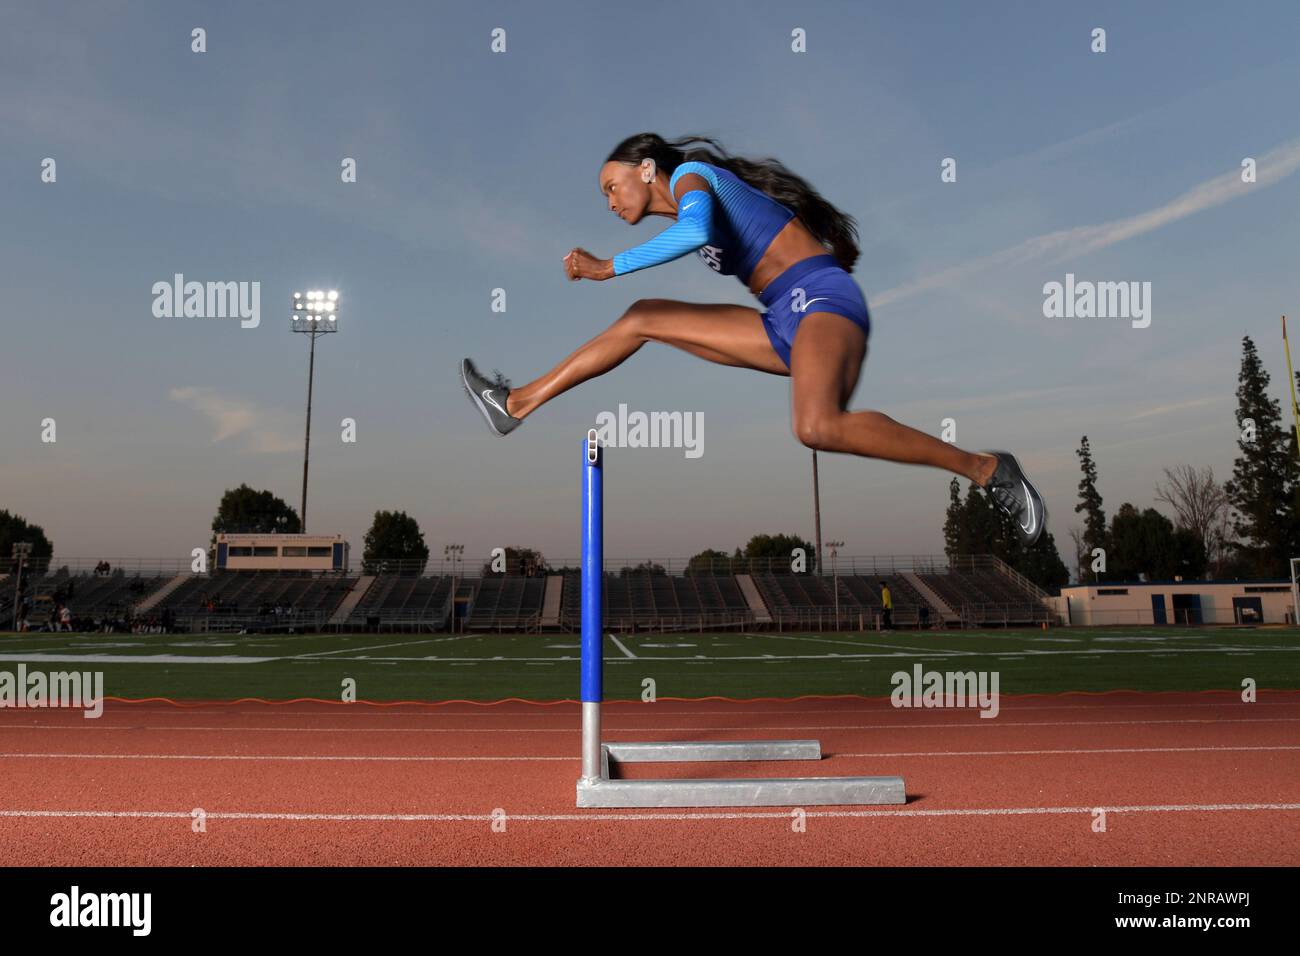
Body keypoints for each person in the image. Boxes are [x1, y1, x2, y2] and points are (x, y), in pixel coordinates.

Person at [460, 133, 1045, 543]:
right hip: (779, 319)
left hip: (822, 298)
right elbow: (699, 230)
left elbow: (696, 229)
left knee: (817, 427)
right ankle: (514, 404)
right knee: (642, 317)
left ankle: (986, 468)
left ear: (645, 169)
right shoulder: (683, 204)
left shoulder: (692, 178)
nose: (609, 201)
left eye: (611, 186)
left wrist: (609, 266)